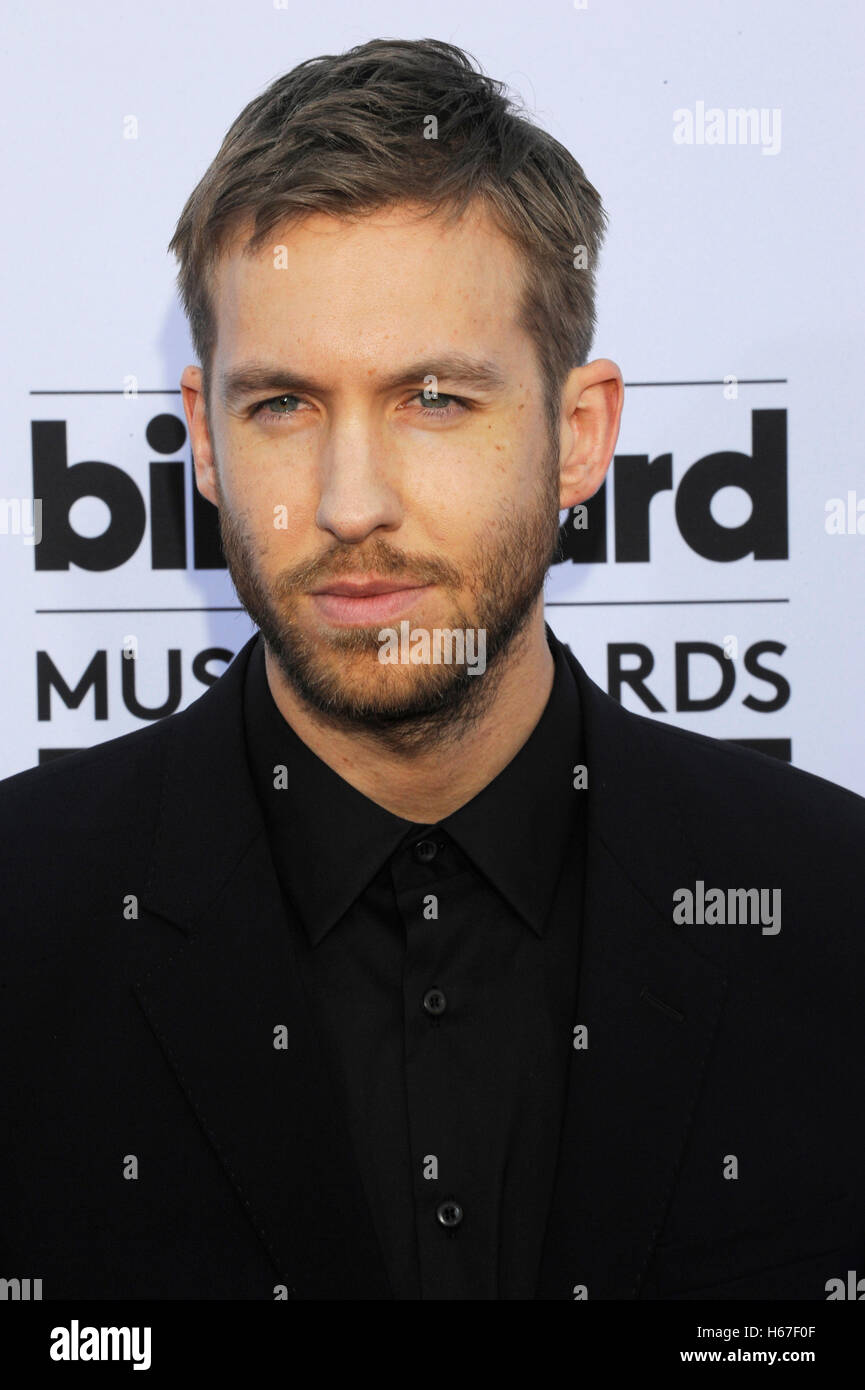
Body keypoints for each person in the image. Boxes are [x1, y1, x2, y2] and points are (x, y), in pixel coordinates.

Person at [1, 37, 863, 1302]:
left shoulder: (831, 914)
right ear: (201, 441)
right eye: (282, 405)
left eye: (436, 400)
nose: (350, 503)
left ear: (579, 437)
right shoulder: (24, 925)